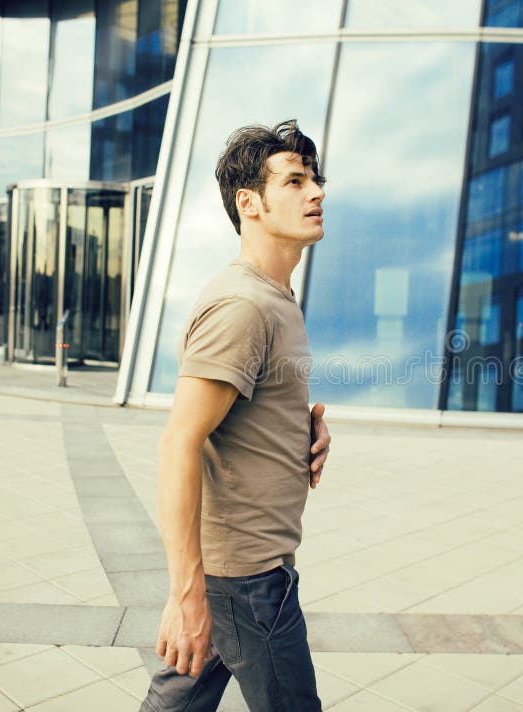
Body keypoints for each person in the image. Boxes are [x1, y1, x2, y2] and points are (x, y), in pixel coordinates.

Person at [140, 119, 330, 712]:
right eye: (295, 181)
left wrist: (299, 427)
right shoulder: (243, 305)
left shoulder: (274, 297)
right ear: (249, 202)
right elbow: (179, 443)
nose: (317, 192)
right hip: (247, 582)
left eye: (315, 179)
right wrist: (186, 594)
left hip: (244, 572)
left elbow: (238, 418)